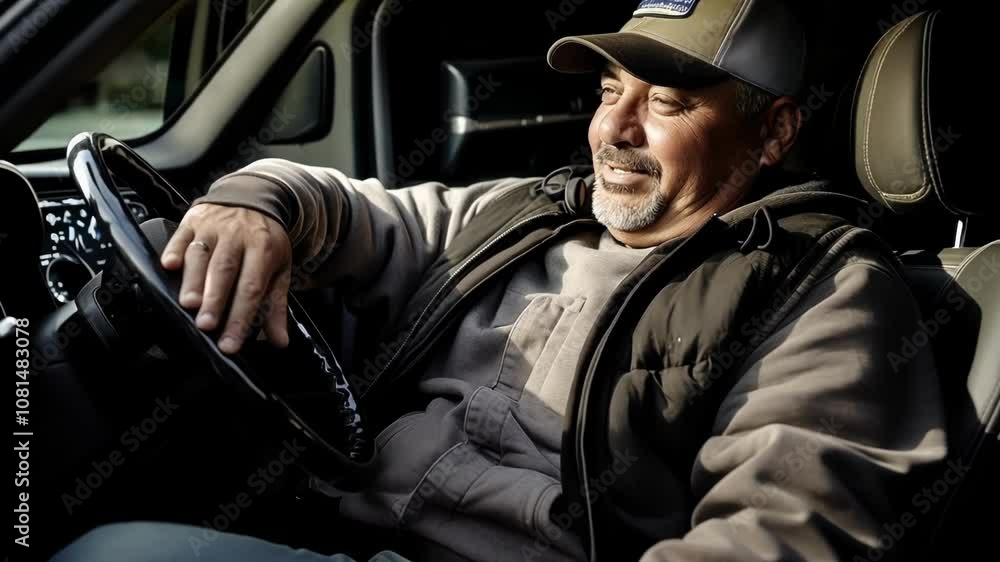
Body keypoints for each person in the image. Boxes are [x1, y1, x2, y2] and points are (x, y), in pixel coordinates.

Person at [51, 0, 947, 561]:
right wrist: (257, 205)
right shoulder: (531, 209)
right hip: (337, 526)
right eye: (610, 91)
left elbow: (780, 534)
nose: (615, 130)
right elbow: (355, 210)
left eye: (668, 104)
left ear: (775, 131)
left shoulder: (822, 286)